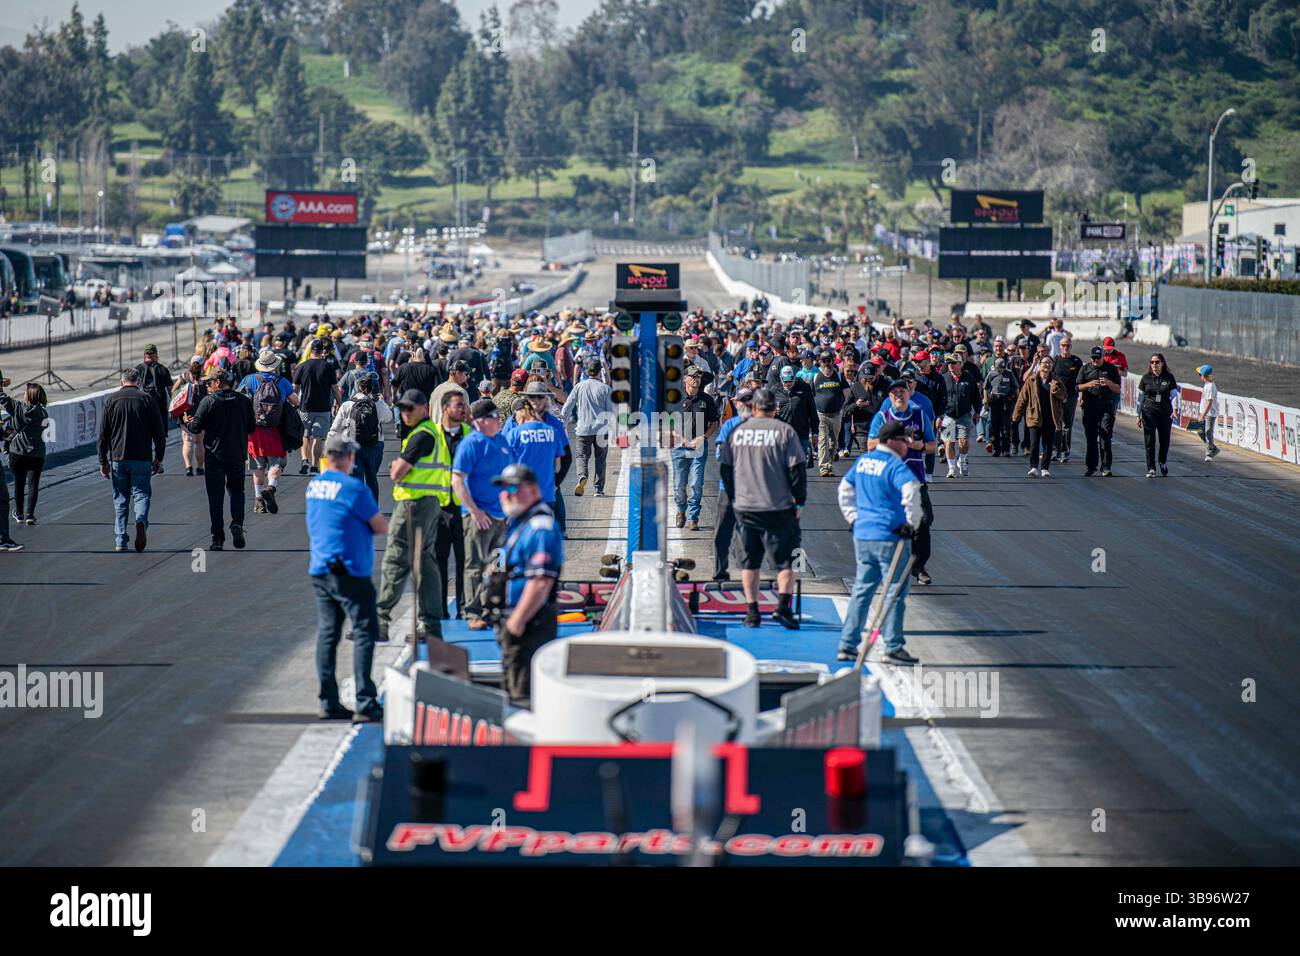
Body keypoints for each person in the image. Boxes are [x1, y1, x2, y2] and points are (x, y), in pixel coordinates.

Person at [306, 433, 389, 723]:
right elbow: (379, 526)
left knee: (328, 633)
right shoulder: (354, 488)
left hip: (321, 567)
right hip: (350, 569)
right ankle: (365, 701)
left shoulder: (314, 485)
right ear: (347, 458)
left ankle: (328, 700)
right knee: (366, 631)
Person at [836, 421, 924, 664]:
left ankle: (847, 643)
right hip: (890, 536)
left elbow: (844, 489)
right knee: (894, 591)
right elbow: (911, 491)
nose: (907, 444)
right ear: (892, 441)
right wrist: (911, 524)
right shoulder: (895, 465)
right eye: (904, 439)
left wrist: (853, 518)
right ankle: (893, 646)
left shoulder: (864, 461)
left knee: (863, 589)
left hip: (863, 535)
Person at [719, 387, 805, 630]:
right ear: (775, 409)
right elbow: (797, 470)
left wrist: (736, 496)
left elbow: (725, 468)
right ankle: (783, 608)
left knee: (750, 562)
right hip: (778, 507)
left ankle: (752, 611)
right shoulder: (785, 432)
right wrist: (799, 501)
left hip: (746, 506)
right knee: (787, 562)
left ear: (754, 407)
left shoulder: (738, 432)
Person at [377, 390, 447, 642]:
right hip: (428, 503)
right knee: (424, 563)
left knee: (396, 557)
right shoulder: (430, 433)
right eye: (402, 408)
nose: (405, 413)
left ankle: (381, 619)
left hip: (412, 505)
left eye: (410, 408)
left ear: (424, 408)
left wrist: (396, 467)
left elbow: (398, 473)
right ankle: (430, 624)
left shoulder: (421, 436)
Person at [491, 463, 564, 704]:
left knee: (523, 697)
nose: (506, 494)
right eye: (503, 489)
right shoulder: (520, 523)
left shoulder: (540, 527)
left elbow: (541, 581)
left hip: (529, 625)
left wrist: (516, 623)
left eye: (513, 488)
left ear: (533, 490)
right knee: (511, 690)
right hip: (513, 622)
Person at [451, 398, 515, 631]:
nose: (499, 420)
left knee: (498, 565)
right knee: (475, 565)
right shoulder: (471, 444)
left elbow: (510, 476)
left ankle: (492, 608)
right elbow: (457, 480)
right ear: (480, 421)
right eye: (494, 417)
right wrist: (474, 511)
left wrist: (511, 508)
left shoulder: (501, 441)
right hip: (479, 516)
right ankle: (473, 611)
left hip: (502, 516)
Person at [868, 379, 938, 585]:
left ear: (909, 395)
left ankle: (919, 566)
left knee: (923, 522)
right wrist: (892, 440)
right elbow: (870, 445)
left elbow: (933, 444)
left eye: (902, 392)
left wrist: (919, 445)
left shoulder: (920, 416)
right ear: (890, 397)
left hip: (915, 480)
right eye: (894, 393)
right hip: (889, 482)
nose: (898, 395)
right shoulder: (883, 417)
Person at [184, 367, 255, 550]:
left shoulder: (209, 401)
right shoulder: (243, 401)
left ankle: (217, 539)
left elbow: (196, 428)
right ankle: (237, 523)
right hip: (237, 454)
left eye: (209, 383)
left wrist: (187, 421)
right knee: (237, 492)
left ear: (217, 383)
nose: (207, 386)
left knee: (216, 499)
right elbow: (252, 427)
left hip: (215, 456)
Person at [98, 367, 167, 552]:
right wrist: (159, 457)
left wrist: (102, 460)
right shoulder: (147, 399)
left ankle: (120, 540)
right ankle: (141, 521)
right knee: (141, 494)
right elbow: (159, 433)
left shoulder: (111, 400)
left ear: (122, 382)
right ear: (139, 382)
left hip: (118, 457)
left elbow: (103, 434)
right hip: (142, 457)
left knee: (120, 499)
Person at [238, 349, 299, 517]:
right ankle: (271, 487)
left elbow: (238, 399)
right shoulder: (282, 382)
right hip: (275, 429)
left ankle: (258, 500)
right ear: (274, 366)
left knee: (258, 465)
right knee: (276, 462)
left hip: (254, 430)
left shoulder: (249, 380)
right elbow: (296, 401)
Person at [711, 387, 753, 581]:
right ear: (735, 403)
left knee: (750, 534)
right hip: (727, 488)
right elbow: (720, 453)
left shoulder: (762, 425)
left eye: (749, 400)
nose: (745, 404)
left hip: (753, 490)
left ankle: (750, 574)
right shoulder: (730, 425)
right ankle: (720, 572)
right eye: (741, 400)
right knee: (721, 533)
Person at [328, 374, 390, 502]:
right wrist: (382, 401)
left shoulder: (348, 404)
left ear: (357, 387)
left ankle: (356, 507)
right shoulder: (377, 403)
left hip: (352, 445)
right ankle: (372, 509)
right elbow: (387, 418)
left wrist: (329, 446)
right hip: (374, 444)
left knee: (355, 478)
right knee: (372, 477)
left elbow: (335, 428)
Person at [672, 365, 720, 530]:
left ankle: (693, 517)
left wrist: (703, 437)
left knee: (695, 484)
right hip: (679, 447)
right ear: (685, 378)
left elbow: (714, 424)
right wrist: (682, 439)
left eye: (698, 376)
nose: (696, 379)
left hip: (699, 447)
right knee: (679, 485)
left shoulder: (706, 400)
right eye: (693, 376)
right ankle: (680, 510)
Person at [561, 358, 613, 497]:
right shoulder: (606, 389)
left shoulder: (579, 386)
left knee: (582, 456)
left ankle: (582, 476)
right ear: (599, 372)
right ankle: (598, 489)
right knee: (600, 458)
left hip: (583, 430)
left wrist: (563, 422)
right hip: (601, 430)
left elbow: (567, 406)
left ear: (585, 371)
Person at [1, 381, 48, 525]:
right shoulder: (43, 413)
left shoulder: (18, 408)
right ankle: (30, 515)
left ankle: (19, 513)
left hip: (18, 452)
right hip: (36, 453)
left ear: (29, 395)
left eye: (26, 392)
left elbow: (3, 398)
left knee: (18, 484)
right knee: (33, 484)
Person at [292, 337, 340, 475]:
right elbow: (335, 388)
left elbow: (295, 388)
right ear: (322, 351)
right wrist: (339, 402)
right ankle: (314, 466)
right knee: (319, 438)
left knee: (306, 435)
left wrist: (294, 403)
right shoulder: (328, 366)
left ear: (311, 350)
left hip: (305, 406)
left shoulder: (302, 366)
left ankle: (304, 460)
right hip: (323, 407)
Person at [1012, 358, 1065, 478]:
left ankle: (1045, 468)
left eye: (1049, 363)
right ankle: (1034, 467)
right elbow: (1022, 399)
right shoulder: (1031, 380)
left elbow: (1063, 395)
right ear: (1040, 365)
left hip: (1050, 417)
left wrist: (1056, 391)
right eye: (1044, 363)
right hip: (1034, 416)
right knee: (1034, 443)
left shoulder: (1056, 380)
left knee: (1048, 444)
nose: (1047, 365)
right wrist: (1016, 417)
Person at [1077, 346, 1121, 476]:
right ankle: (1091, 466)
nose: (1095, 360)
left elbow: (1118, 389)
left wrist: (1108, 383)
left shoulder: (1111, 369)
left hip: (1106, 406)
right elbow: (1077, 386)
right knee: (1091, 438)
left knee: (1105, 436)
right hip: (1089, 406)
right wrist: (1088, 385)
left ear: (1103, 357)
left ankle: (1106, 466)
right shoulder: (1085, 368)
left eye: (1098, 358)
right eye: (1093, 358)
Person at [1138, 353, 1177, 477]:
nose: (1154, 364)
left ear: (1162, 363)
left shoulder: (1169, 377)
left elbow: (1174, 395)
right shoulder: (1145, 378)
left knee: (1164, 440)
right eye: (1152, 362)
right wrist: (1137, 414)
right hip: (1149, 413)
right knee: (1149, 440)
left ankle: (1162, 461)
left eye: (1157, 362)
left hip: (1165, 413)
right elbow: (1140, 397)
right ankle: (1151, 468)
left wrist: (1175, 409)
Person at [939, 353, 978, 477]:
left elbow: (976, 396)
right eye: (949, 363)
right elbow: (938, 399)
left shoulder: (969, 378)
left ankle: (962, 461)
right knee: (949, 442)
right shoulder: (944, 378)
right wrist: (939, 416)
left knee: (964, 442)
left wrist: (977, 411)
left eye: (953, 363)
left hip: (964, 415)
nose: (950, 365)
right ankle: (951, 469)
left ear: (960, 364)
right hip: (948, 415)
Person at [811, 351, 848, 478]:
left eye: (829, 361)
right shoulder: (816, 377)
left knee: (834, 443)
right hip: (821, 415)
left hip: (836, 414)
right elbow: (811, 396)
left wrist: (844, 408)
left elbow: (847, 394)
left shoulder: (839, 375)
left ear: (832, 362)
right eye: (824, 361)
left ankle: (829, 464)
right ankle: (824, 468)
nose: (827, 363)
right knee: (823, 441)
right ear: (820, 362)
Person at [172, 357, 207, 476]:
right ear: (202, 365)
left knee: (187, 440)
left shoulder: (183, 376)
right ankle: (200, 468)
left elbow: (173, 391)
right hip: (199, 413)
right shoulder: (204, 380)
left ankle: (188, 467)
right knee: (199, 441)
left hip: (185, 412)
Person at [1051, 337, 1083, 463]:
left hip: (1071, 397)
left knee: (1067, 426)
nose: (1065, 348)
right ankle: (1055, 451)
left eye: (1068, 345)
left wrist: (1082, 396)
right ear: (1060, 346)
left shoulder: (1076, 361)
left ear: (1071, 346)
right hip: (1057, 397)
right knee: (1056, 424)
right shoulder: (1055, 360)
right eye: (1063, 345)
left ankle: (1065, 452)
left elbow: (1082, 380)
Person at [134, 344, 174, 436]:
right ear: (156, 356)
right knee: (160, 438)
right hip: (160, 409)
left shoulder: (137, 370)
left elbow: (131, 388)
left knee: (144, 438)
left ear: (144, 356)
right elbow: (171, 390)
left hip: (143, 408)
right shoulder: (163, 370)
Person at [982, 358, 1017, 456]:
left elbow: (1016, 387)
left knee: (1006, 427)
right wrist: (986, 401)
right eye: (998, 368)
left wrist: (1016, 402)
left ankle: (1006, 449)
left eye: (1001, 368)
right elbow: (985, 388)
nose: (1000, 370)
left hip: (1006, 402)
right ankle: (997, 448)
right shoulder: (991, 374)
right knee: (995, 426)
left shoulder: (1009, 374)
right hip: (995, 402)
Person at [1193, 365, 1220, 462]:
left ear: (1203, 376)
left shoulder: (1210, 386)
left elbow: (1209, 403)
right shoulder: (1207, 385)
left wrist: (1202, 416)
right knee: (1197, 429)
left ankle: (1209, 453)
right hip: (1203, 412)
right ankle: (1213, 448)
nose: (1199, 376)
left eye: (1199, 374)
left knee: (1208, 432)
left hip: (1209, 414)